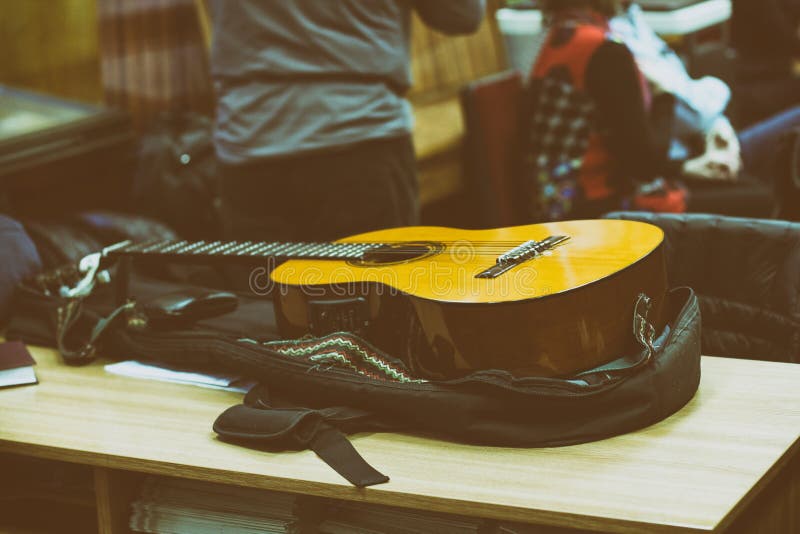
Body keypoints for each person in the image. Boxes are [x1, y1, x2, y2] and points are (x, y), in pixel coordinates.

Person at [209, 1, 485, 243]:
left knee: (265, 299)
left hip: (249, 138)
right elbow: (460, 14)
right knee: (374, 298)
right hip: (357, 138)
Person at [525, 0, 682, 220]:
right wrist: (666, 98)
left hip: (559, 207)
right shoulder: (604, 49)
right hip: (595, 214)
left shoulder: (562, 34)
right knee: (744, 205)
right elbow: (646, 167)